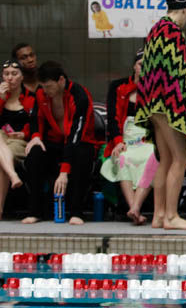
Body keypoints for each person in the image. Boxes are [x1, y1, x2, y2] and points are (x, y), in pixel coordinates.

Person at [134, 0, 186, 230]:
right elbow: (177, 75)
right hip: (167, 105)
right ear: (185, 10)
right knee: (181, 157)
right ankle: (172, 216)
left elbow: (151, 71)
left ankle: (159, 215)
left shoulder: (156, 29)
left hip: (153, 103)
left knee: (166, 159)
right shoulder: (173, 32)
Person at [22, 61, 97, 225]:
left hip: (80, 142)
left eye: (49, 86)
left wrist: (64, 172)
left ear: (61, 80)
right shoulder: (41, 93)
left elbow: (76, 135)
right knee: (35, 152)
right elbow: (35, 118)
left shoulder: (80, 95)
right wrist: (35, 136)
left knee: (81, 154)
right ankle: (35, 211)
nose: (46, 91)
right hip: (55, 142)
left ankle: (77, 211)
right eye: (43, 86)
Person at [101, 49, 156, 226]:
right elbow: (112, 118)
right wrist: (117, 142)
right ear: (134, 66)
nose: (145, 68)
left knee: (153, 157)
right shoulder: (118, 87)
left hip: (149, 140)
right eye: (141, 64)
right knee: (122, 157)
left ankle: (135, 207)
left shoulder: (157, 91)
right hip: (124, 139)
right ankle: (134, 208)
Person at [0, 59, 34, 218]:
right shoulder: (0, 96)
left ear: (22, 77)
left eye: (14, 74)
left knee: (2, 162)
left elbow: (37, 124)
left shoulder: (30, 98)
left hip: (18, 142)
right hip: (1, 138)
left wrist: (24, 134)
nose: (10, 78)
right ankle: (13, 176)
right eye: (6, 74)